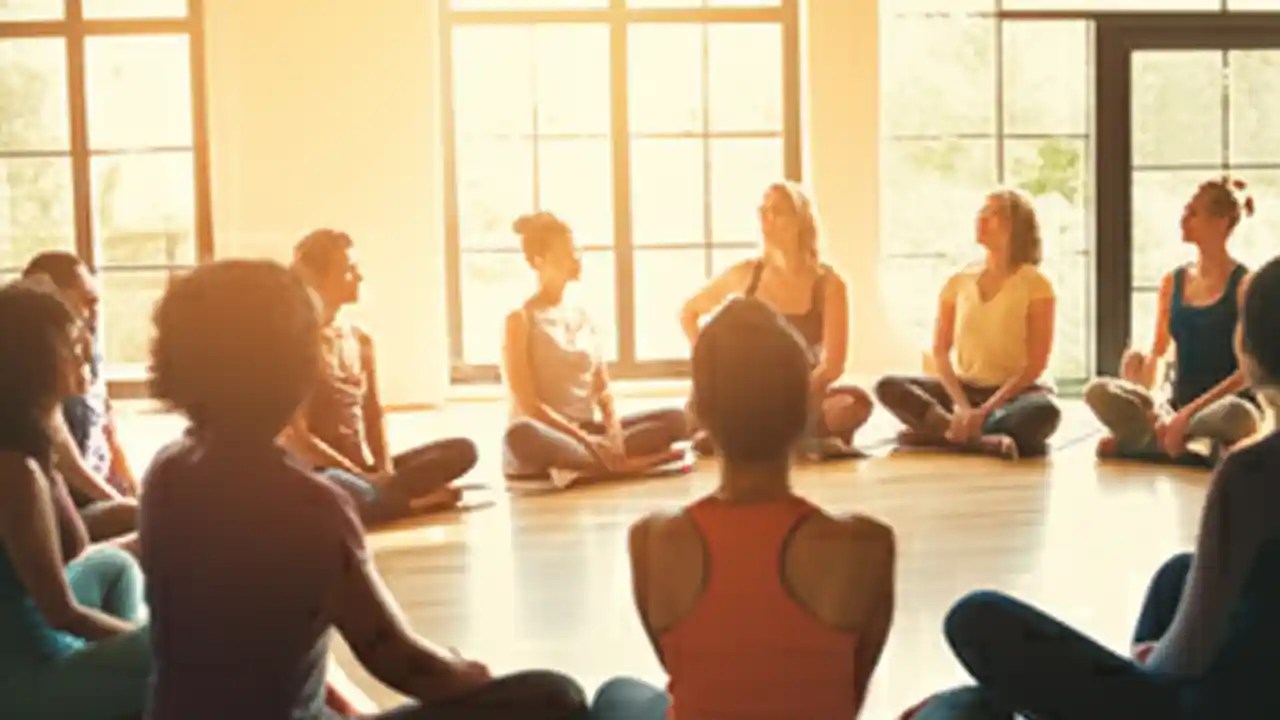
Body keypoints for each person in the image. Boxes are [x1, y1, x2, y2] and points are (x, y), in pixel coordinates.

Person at [141, 259, 588, 720]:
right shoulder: (309, 505)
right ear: (294, 367)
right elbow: (402, 663)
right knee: (555, 697)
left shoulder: (165, 475)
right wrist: (469, 674)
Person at [904, 253, 1280, 719]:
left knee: (974, 620)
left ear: (1253, 347)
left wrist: (1146, 664)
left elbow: (1186, 657)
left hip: (1216, 708)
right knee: (1178, 574)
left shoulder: (1254, 472)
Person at [592, 297, 896, 719]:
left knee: (617, 696)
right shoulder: (867, 544)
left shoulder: (651, 540)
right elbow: (850, 692)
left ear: (699, 413)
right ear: (804, 411)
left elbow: (683, 670)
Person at [0, 279, 150, 718]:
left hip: (40, 634)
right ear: (34, 361)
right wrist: (145, 649)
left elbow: (69, 541)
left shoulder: (32, 436)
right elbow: (62, 614)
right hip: (24, 677)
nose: (86, 353)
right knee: (188, 661)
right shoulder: (15, 470)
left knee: (117, 566)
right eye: (72, 344)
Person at [281, 229, 479, 525]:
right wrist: (359, 477)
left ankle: (385, 497)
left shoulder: (360, 339)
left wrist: (384, 471)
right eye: (349, 270)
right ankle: (408, 503)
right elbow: (298, 437)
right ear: (319, 279)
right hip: (325, 472)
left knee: (462, 450)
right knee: (332, 489)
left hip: (364, 470)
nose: (359, 277)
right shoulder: (298, 345)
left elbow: (373, 414)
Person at [679, 181, 873, 459]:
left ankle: (755, 439)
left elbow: (833, 365)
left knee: (855, 403)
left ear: (800, 220)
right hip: (744, 392)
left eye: (777, 211)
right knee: (694, 413)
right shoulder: (746, 273)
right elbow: (688, 313)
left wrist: (794, 399)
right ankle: (787, 440)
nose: (767, 219)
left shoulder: (829, 284)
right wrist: (710, 363)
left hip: (799, 394)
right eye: (763, 211)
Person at [503, 212, 690, 487]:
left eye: (576, 250)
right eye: (567, 252)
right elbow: (529, 403)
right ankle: (623, 464)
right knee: (520, 435)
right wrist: (586, 440)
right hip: (549, 434)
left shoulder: (583, 316)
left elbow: (603, 390)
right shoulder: (520, 320)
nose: (576, 258)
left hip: (589, 431)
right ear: (539, 261)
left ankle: (597, 464)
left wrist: (614, 433)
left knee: (677, 420)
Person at [875, 188, 1062, 461]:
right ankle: (976, 437)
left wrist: (985, 410)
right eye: (982, 211)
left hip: (1012, 396)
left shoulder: (1035, 284)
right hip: (962, 391)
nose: (981, 218)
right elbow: (940, 351)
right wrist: (962, 406)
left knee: (1045, 412)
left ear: (1015, 225)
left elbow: (1036, 364)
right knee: (888, 386)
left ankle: (944, 435)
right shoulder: (959, 281)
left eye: (993, 213)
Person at [1085, 177, 1261, 465]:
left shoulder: (1244, 285)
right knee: (1097, 391)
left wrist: (1186, 416)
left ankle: (1153, 442)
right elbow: (1159, 354)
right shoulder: (1173, 281)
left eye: (1193, 213)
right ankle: (1189, 445)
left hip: (1219, 408)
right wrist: (1141, 382)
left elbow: (1246, 374)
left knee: (1239, 416)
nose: (1183, 219)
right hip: (1176, 406)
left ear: (1221, 223)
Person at [22, 251, 139, 541]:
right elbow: (69, 467)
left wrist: (132, 491)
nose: (95, 313)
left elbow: (106, 428)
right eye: (87, 301)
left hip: (98, 493)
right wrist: (129, 509)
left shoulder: (86, 347)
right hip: (70, 510)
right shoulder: (34, 377)